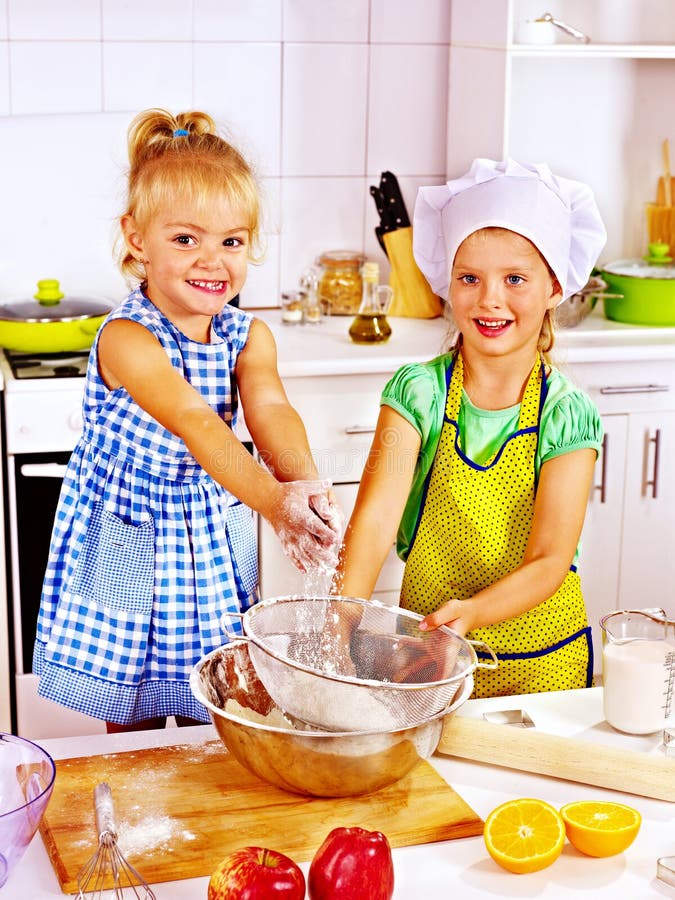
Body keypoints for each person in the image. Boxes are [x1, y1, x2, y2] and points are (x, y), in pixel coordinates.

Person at [33, 108, 342, 732]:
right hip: (132, 538)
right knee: (135, 718)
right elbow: (199, 425)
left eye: (231, 241)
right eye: (185, 239)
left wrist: (302, 484)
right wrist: (277, 507)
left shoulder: (246, 334)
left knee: (223, 701)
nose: (212, 260)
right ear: (136, 237)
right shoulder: (126, 337)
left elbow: (272, 408)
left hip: (210, 534)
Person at [335, 158, 607, 697]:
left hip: (542, 666)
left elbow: (551, 558)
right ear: (447, 284)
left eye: (515, 279)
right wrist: (336, 632)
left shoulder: (566, 413)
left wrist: (474, 613)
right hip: (429, 660)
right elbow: (372, 525)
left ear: (554, 286)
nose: (490, 299)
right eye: (469, 278)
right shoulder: (417, 395)